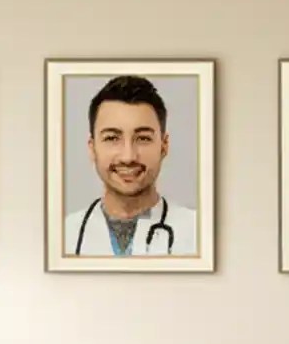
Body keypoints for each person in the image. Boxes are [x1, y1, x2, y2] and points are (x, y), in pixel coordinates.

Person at [64, 75, 197, 257]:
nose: (128, 157)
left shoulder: (199, 233)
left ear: (164, 146)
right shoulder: (64, 235)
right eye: (112, 138)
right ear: (92, 147)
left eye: (143, 138)